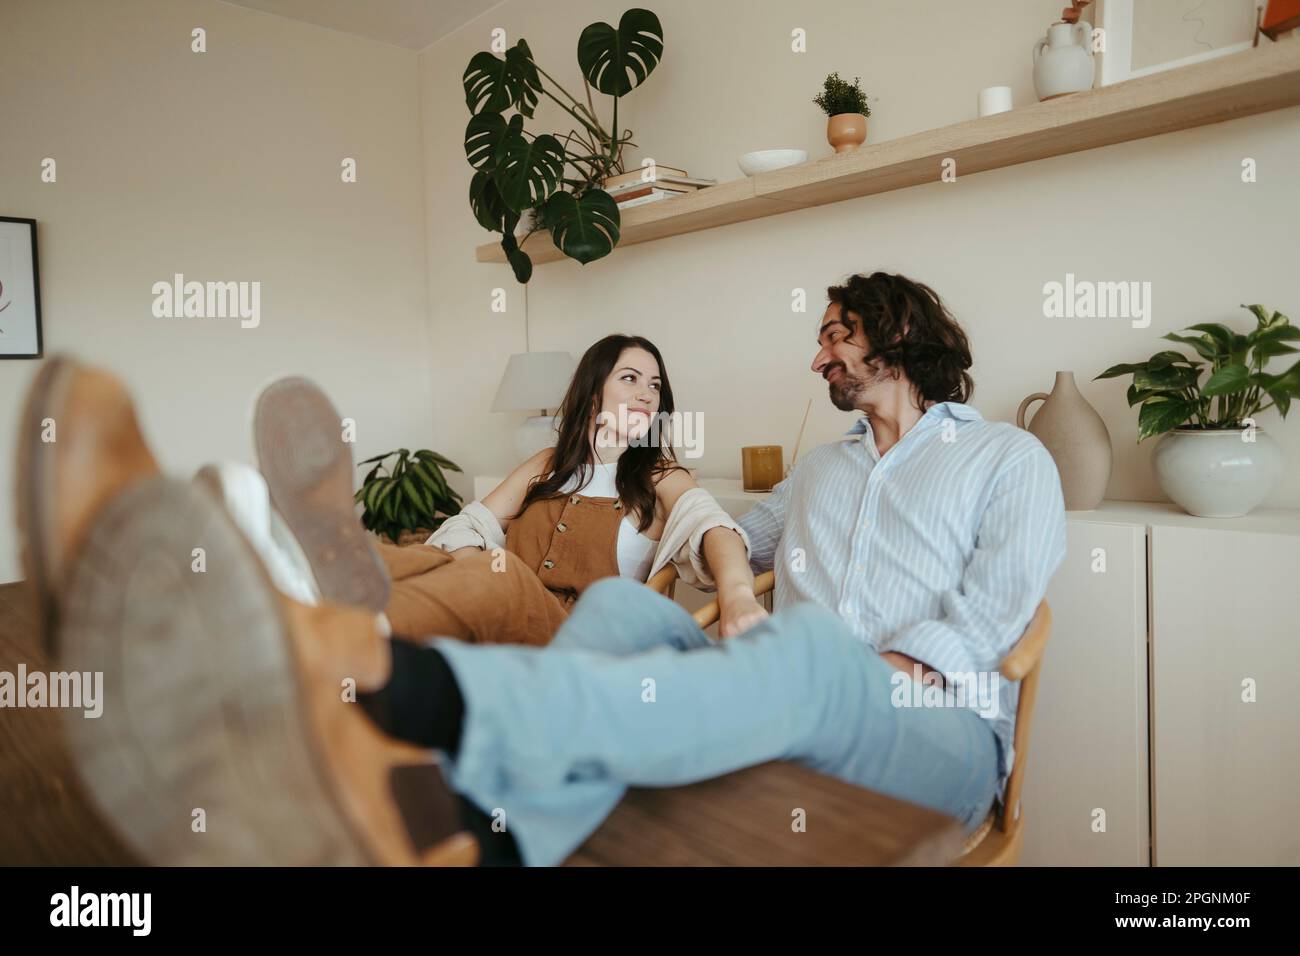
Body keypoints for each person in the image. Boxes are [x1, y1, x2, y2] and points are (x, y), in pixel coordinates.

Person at [17, 272, 1065, 867]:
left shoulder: (1006, 459)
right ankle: (446, 827)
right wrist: (723, 594)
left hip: (936, 735)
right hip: (780, 681)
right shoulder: (821, 471)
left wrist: (794, 641)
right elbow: (726, 538)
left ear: (894, 332)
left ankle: (348, 666)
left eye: (834, 334)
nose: (816, 357)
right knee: (614, 607)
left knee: (807, 654)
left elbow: (986, 621)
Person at [205, 333, 765, 648]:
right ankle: (298, 565)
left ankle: (325, 590)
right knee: (421, 557)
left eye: (655, 385)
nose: (646, 394)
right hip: (506, 614)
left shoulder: (659, 474)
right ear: (593, 394)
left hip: (581, 643)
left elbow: (713, 527)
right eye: (630, 378)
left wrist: (738, 594)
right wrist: (471, 561)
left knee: (489, 579)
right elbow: (470, 525)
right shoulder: (549, 464)